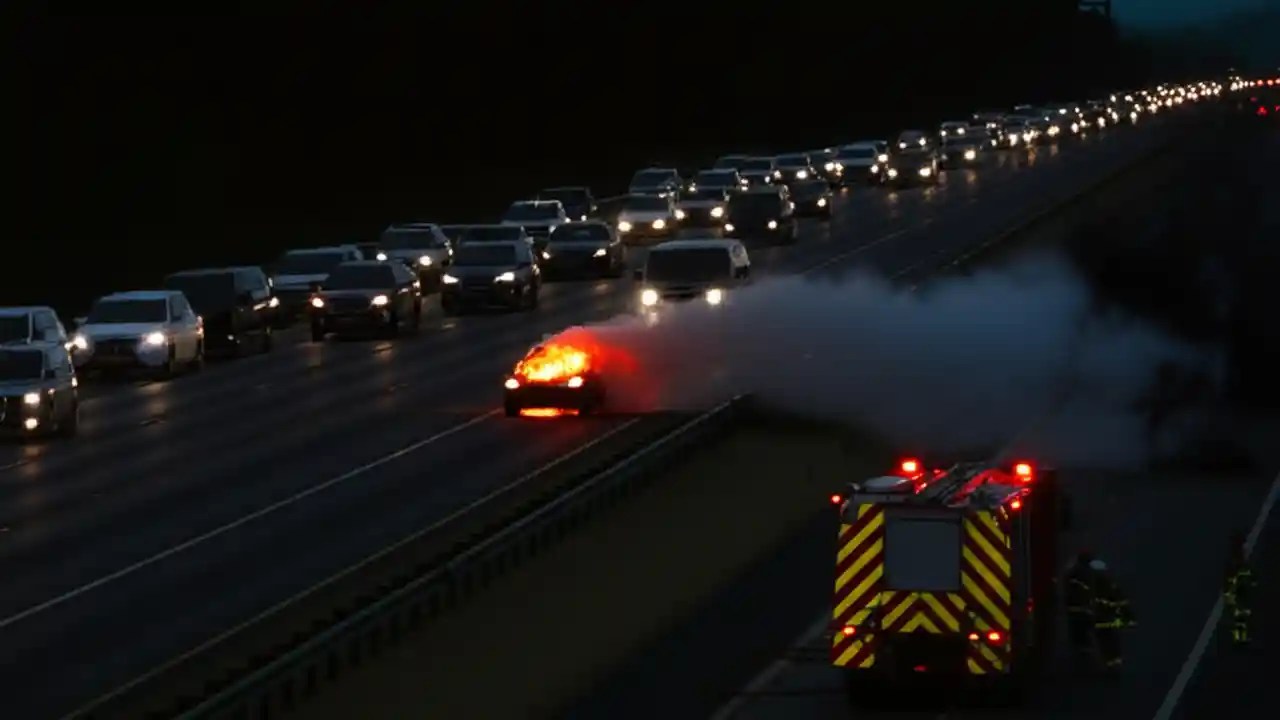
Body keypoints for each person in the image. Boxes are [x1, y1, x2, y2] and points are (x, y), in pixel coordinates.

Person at [1090, 559, 1135, 670]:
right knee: (1110, 643)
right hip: (1108, 621)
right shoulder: (1109, 586)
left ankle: (1111, 665)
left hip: (1102, 622)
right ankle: (1112, 665)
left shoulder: (1092, 587)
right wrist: (1128, 616)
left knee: (1107, 644)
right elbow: (1121, 602)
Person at [1064, 551, 1097, 664]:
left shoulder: (1073, 573)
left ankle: (1081, 657)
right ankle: (1085, 657)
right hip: (1084, 610)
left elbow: (1067, 590)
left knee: (1078, 635)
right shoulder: (1089, 574)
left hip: (1075, 611)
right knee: (1085, 634)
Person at [1224, 532, 1256, 646]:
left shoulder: (1236, 558)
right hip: (1237, 590)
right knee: (1240, 616)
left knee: (1240, 615)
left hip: (1235, 589)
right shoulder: (1237, 560)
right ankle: (1239, 639)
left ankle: (1239, 637)